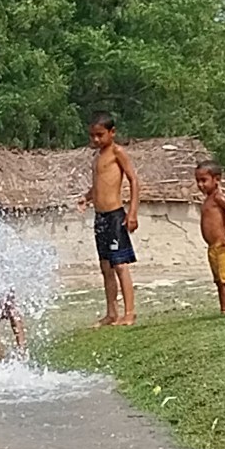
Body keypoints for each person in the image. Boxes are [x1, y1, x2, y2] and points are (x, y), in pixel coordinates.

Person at [81, 113, 140, 326]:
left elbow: (133, 180)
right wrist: (86, 198)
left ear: (112, 132)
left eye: (100, 135)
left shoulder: (117, 152)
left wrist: (132, 213)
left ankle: (129, 312)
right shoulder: (97, 157)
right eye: (92, 136)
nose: (96, 140)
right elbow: (98, 184)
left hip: (116, 215)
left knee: (120, 265)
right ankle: (111, 312)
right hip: (100, 217)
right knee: (105, 266)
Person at [192, 162, 225, 314]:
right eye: (198, 181)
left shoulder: (218, 198)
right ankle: (224, 309)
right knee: (219, 281)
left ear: (216, 179)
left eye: (204, 180)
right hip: (212, 247)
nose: (201, 185)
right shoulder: (207, 200)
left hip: (222, 245)